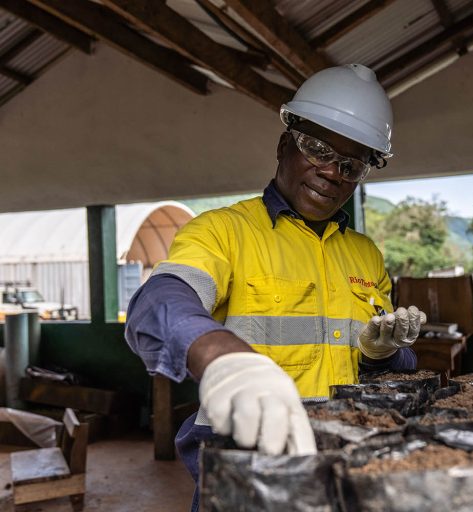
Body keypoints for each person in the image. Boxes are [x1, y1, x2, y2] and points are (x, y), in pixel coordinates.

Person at [124, 63, 426, 509]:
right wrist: (220, 354)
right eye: (316, 149)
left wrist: (382, 355)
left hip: (341, 464)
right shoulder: (224, 232)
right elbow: (158, 301)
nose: (332, 173)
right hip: (248, 469)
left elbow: (391, 372)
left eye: (351, 164)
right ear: (284, 144)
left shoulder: (365, 254)